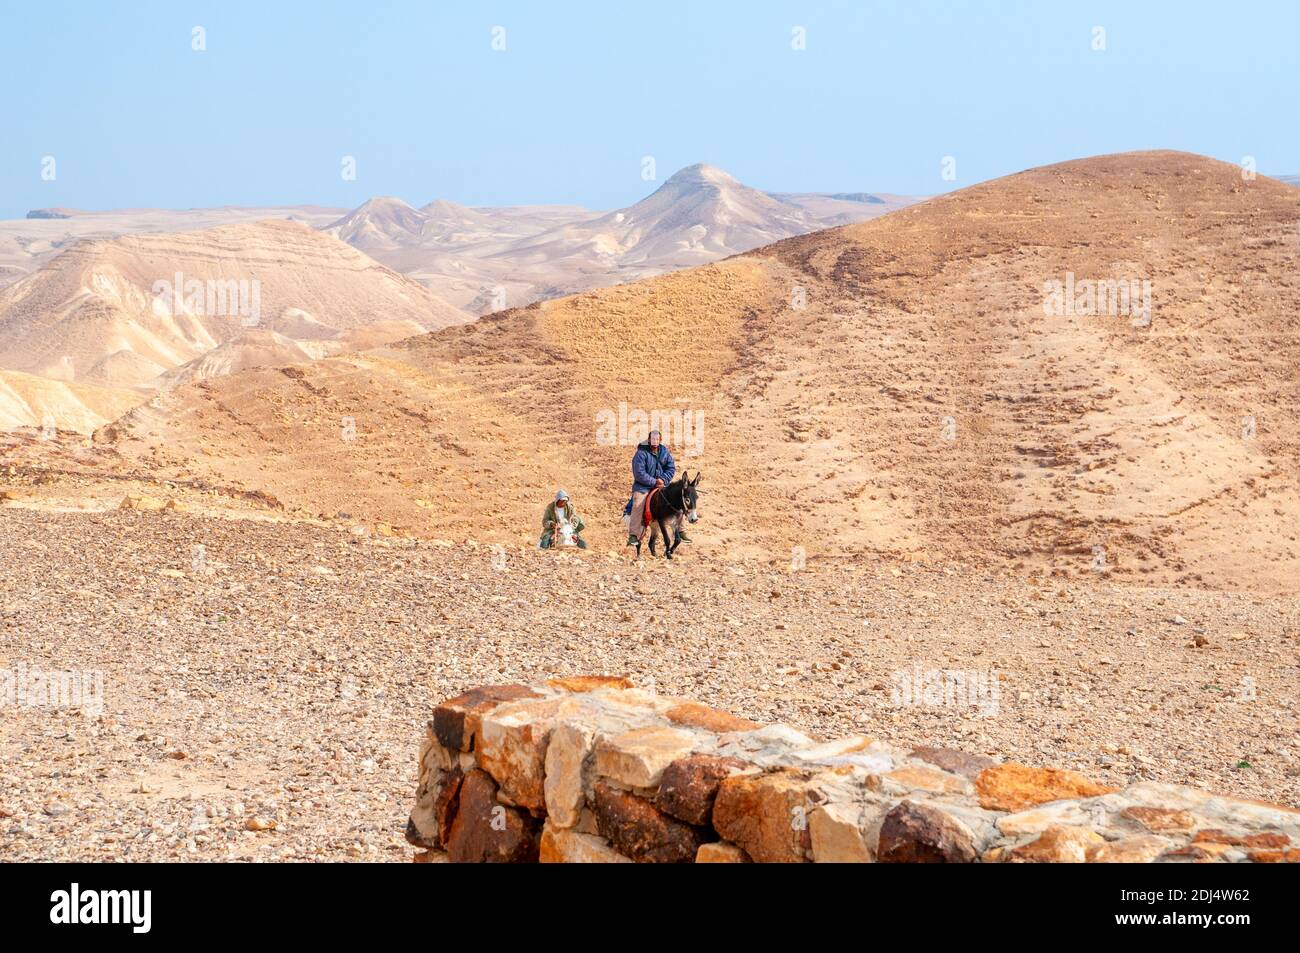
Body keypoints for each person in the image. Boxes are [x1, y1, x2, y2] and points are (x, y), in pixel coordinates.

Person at [625, 429, 688, 546]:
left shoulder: (664, 452)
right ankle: (633, 535)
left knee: (678, 499)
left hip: (662, 484)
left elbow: (671, 468)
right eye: (653, 439)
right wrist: (654, 481)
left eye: (657, 439)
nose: (655, 441)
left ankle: (681, 531)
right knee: (638, 504)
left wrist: (663, 479)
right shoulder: (641, 453)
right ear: (649, 440)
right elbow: (639, 473)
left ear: (660, 440)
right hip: (643, 486)